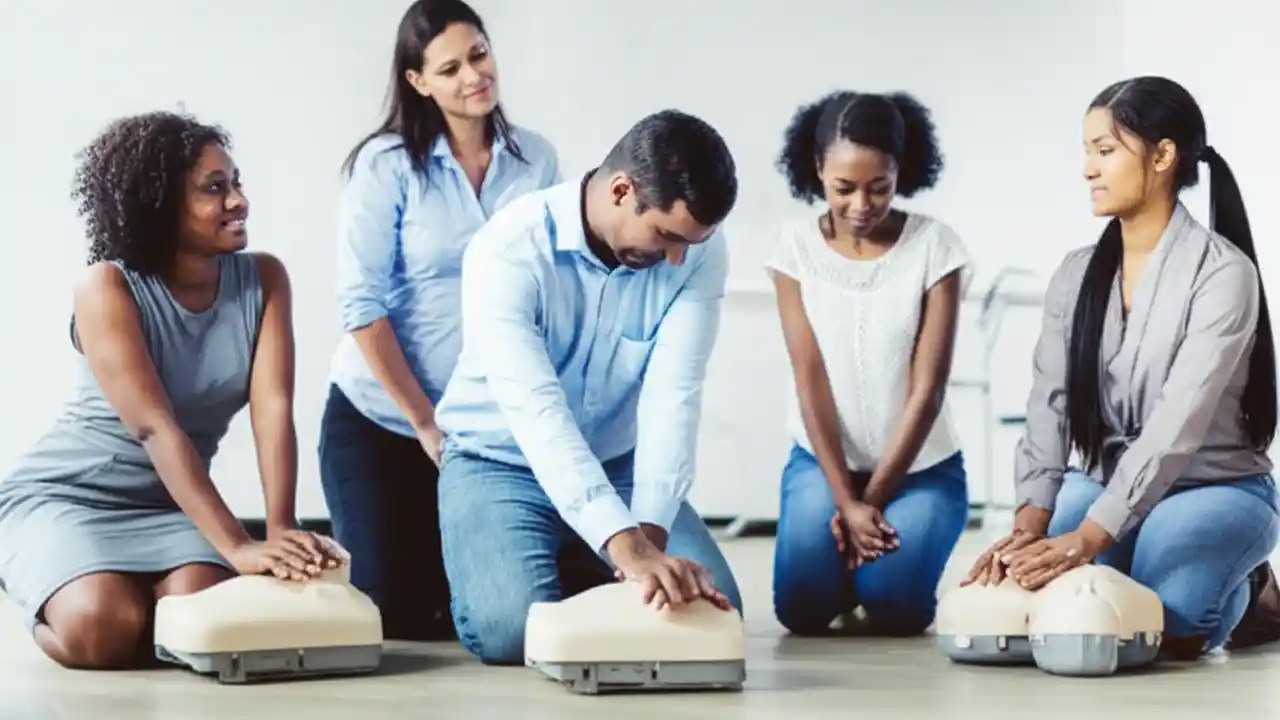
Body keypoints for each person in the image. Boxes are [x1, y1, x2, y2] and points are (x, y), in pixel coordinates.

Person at [0, 111, 343, 670]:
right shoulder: (105, 287)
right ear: (160, 205)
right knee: (102, 628)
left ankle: (121, 592)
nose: (238, 200)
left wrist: (281, 527)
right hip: (69, 498)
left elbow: (273, 409)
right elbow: (153, 427)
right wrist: (237, 545)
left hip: (171, 504)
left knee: (210, 614)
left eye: (236, 182)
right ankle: (39, 585)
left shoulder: (264, 279)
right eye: (214, 188)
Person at [964, 75, 1280, 660]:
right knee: (1051, 602)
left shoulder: (1224, 274)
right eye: (1087, 152)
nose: (1088, 169)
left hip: (1213, 485)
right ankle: (1134, 548)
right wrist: (1031, 523)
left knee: (1163, 627)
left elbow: (1177, 423)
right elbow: (1050, 404)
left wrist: (1089, 536)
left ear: (1162, 156)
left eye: (1105, 150)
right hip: (1104, 481)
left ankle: (1252, 586)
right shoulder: (1075, 272)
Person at [433, 109, 744, 665]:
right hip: (499, 460)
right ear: (622, 190)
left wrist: (647, 546)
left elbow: (674, 397)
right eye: (667, 236)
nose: (677, 257)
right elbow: (538, 414)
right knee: (511, 631)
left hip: (615, 462)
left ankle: (587, 556)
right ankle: (559, 554)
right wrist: (626, 549)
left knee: (712, 612)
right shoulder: (508, 249)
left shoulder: (696, 252)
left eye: (691, 243)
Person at [320, 0, 560, 640]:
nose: (473, 76)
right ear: (418, 81)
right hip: (384, 419)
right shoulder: (385, 164)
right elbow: (362, 308)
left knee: (479, 606)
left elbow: (551, 285)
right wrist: (426, 423)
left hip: (482, 426)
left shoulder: (536, 160)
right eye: (450, 69)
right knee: (393, 614)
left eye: (479, 54)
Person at [766, 91, 972, 636]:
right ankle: (842, 571)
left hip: (920, 470)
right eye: (844, 188)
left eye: (879, 186)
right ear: (817, 168)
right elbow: (809, 380)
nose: (861, 204)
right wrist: (844, 500)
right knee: (802, 610)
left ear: (901, 170)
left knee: (894, 605)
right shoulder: (794, 248)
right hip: (822, 464)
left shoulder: (935, 247)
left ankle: (874, 572)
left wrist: (871, 502)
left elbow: (927, 391)